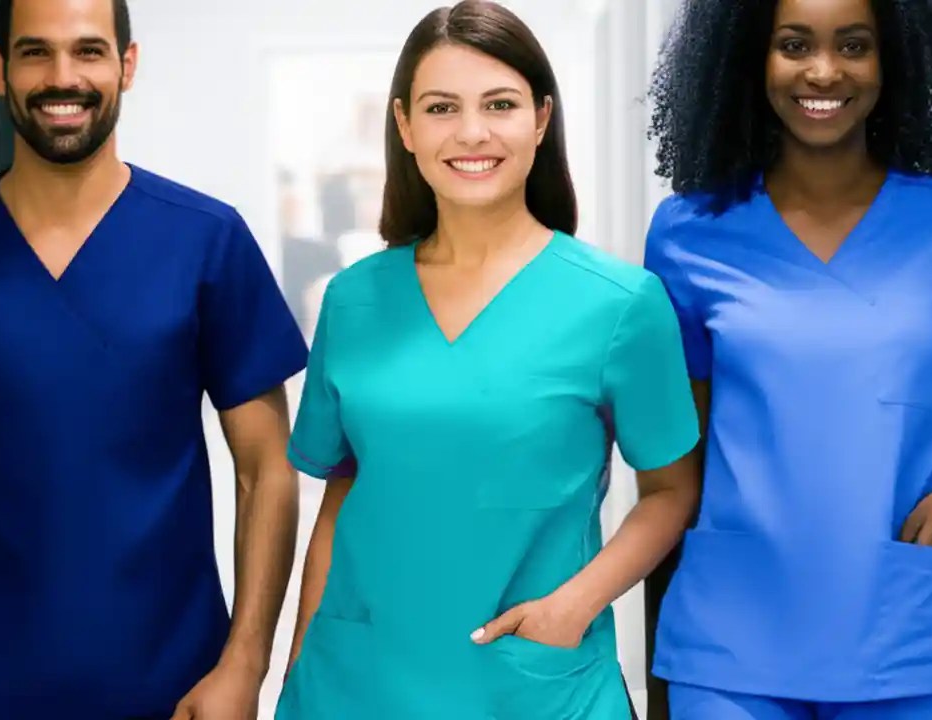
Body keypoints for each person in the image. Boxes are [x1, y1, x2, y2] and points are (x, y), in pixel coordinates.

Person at [0, 0, 307, 718]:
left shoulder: (207, 241)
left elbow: (266, 469)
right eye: (35, 52)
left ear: (128, 65)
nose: (63, 76)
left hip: (171, 690)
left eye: (88, 51)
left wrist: (245, 666)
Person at [275, 2, 703, 718]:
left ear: (541, 119)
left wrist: (573, 606)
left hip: (535, 685)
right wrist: (298, 672)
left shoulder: (621, 304)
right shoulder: (353, 300)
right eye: (442, 108)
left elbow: (671, 491)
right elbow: (342, 489)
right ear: (405, 125)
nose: (471, 132)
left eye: (499, 104)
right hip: (356, 684)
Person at [642, 0, 932, 718]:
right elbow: (680, 459)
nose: (824, 71)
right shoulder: (687, 232)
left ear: (892, 60)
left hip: (910, 631)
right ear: (750, 58)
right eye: (794, 45)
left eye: (854, 45)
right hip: (732, 640)